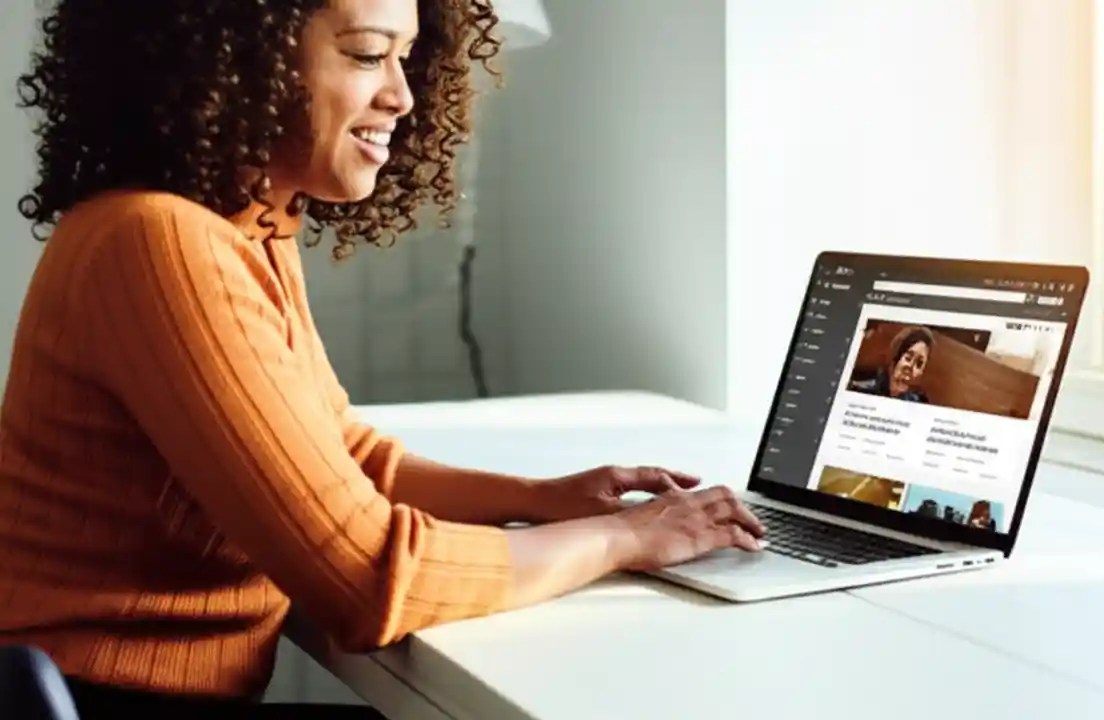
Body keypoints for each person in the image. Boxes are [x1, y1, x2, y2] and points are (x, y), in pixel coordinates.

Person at [0, 1, 766, 717]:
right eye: (368, 54)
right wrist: (627, 540)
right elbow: (367, 580)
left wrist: (540, 498)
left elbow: (350, 458)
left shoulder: (244, 228)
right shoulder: (162, 242)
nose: (402, 94)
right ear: (238, 57)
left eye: (407, 56)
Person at [848, 325, 934, 403]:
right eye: (908, 358)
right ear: (895, 358)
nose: (911, 367)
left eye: (919, 364)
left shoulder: (917, 403)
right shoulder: (859, 391)